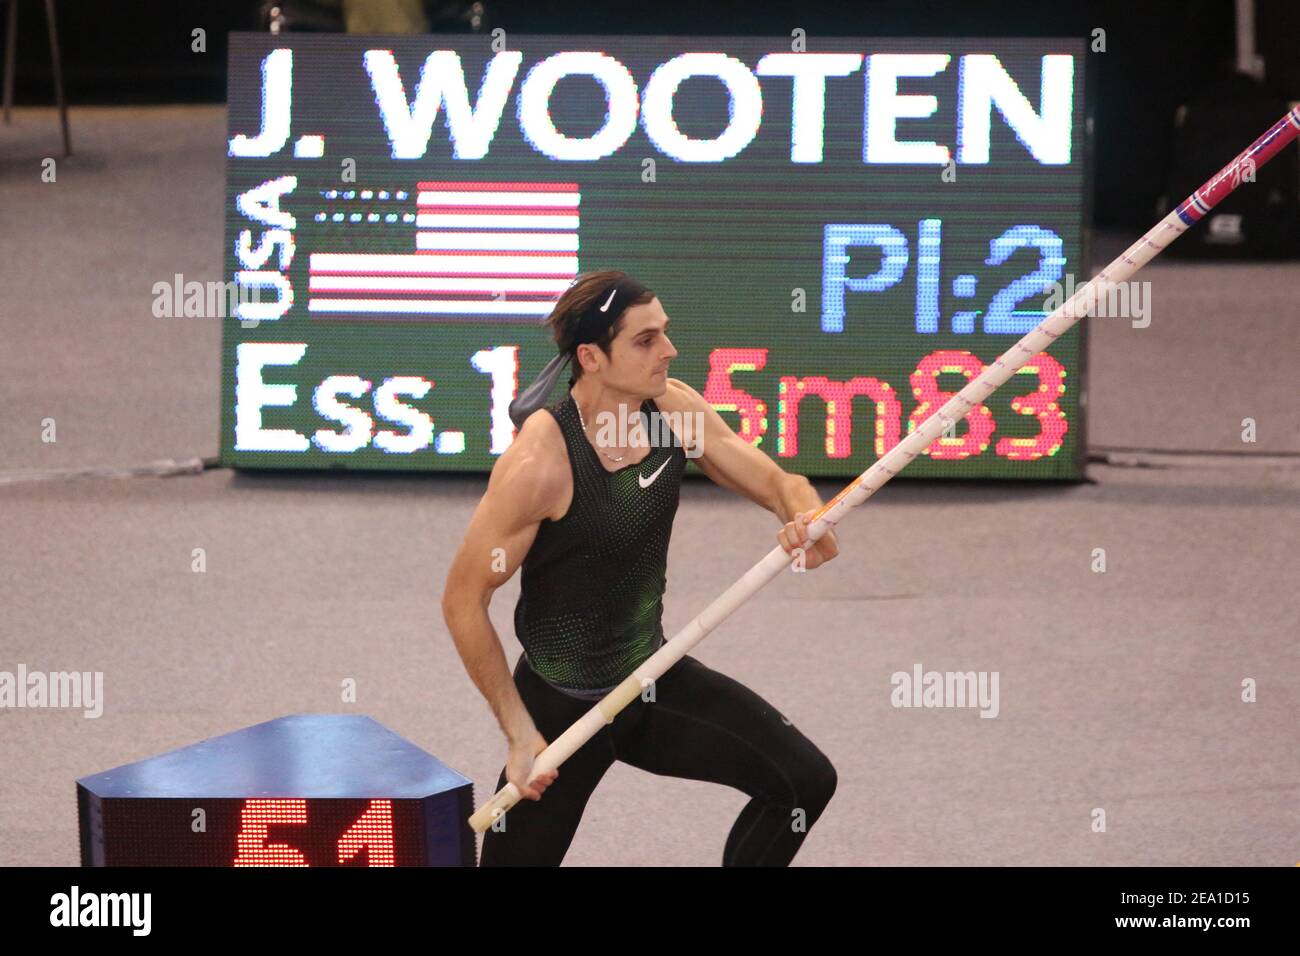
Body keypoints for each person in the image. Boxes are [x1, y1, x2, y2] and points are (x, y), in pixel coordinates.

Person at [441, 269, 840, 866]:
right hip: (560, 710)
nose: (669, 350)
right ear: (591, 357)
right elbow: (462, 600)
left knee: (804, 783)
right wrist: (519, 732)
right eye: (645, 339)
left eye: (666, 333)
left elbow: (780, 482)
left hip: (650, 680)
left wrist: (809, 518)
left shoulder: (671, 411)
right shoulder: (539, 463)